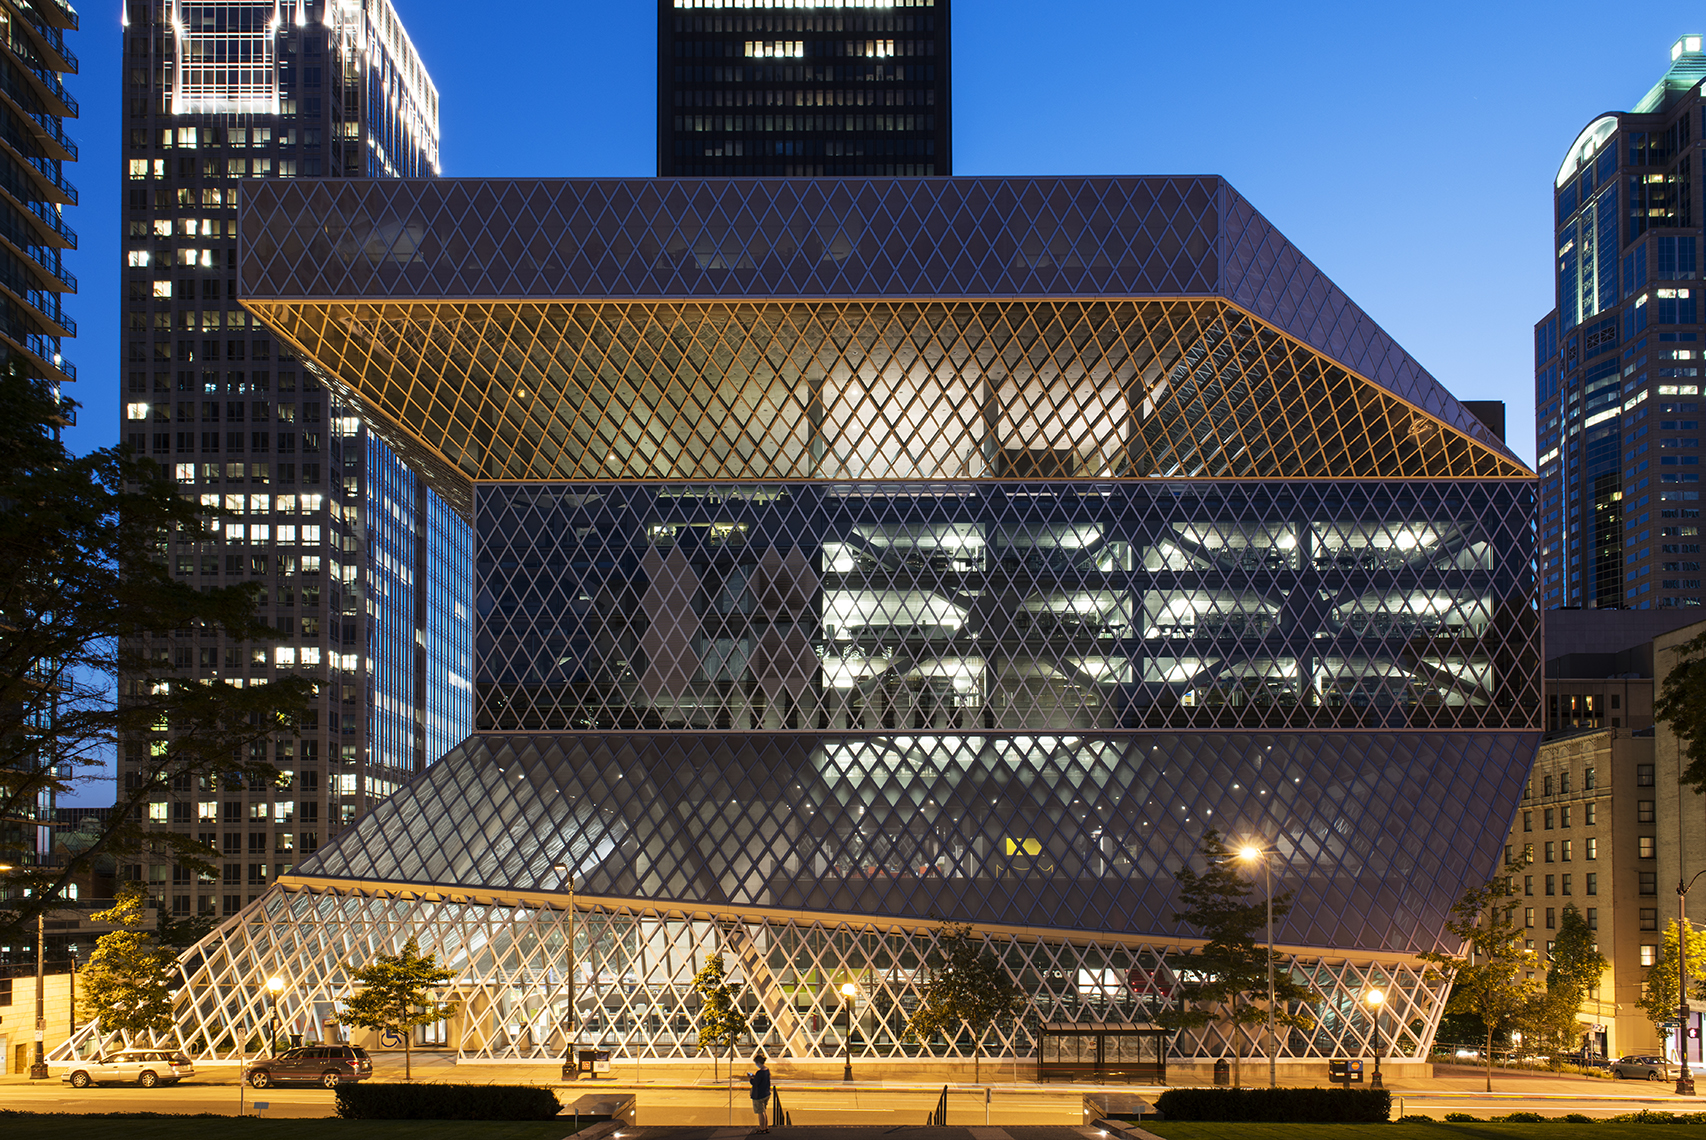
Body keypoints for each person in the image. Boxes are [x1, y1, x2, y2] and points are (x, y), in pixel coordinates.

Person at [745, 1052, 772, 1133]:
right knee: (764, 1111)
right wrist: (755, 1076)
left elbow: (755, 1083)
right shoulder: (766, 1070)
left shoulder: (759, 1073)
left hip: (759, 1095)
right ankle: (765, 1127)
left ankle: (762, 1128)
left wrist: (750, 1078)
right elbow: (762, 1080)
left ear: (758, 1063)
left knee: (760, 1113)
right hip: (766, 1094)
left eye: (756, 1063)